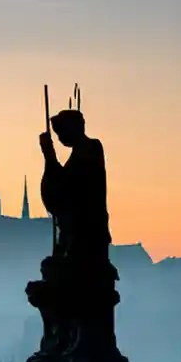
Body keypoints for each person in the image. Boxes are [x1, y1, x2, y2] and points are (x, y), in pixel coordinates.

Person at [39, 110, 110, 264]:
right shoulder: (81, 153)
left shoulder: (91, 148)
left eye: (61, 133)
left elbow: (68, 186)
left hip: (86, 231)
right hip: (78, 231)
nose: (60, 139)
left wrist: (49, 156)